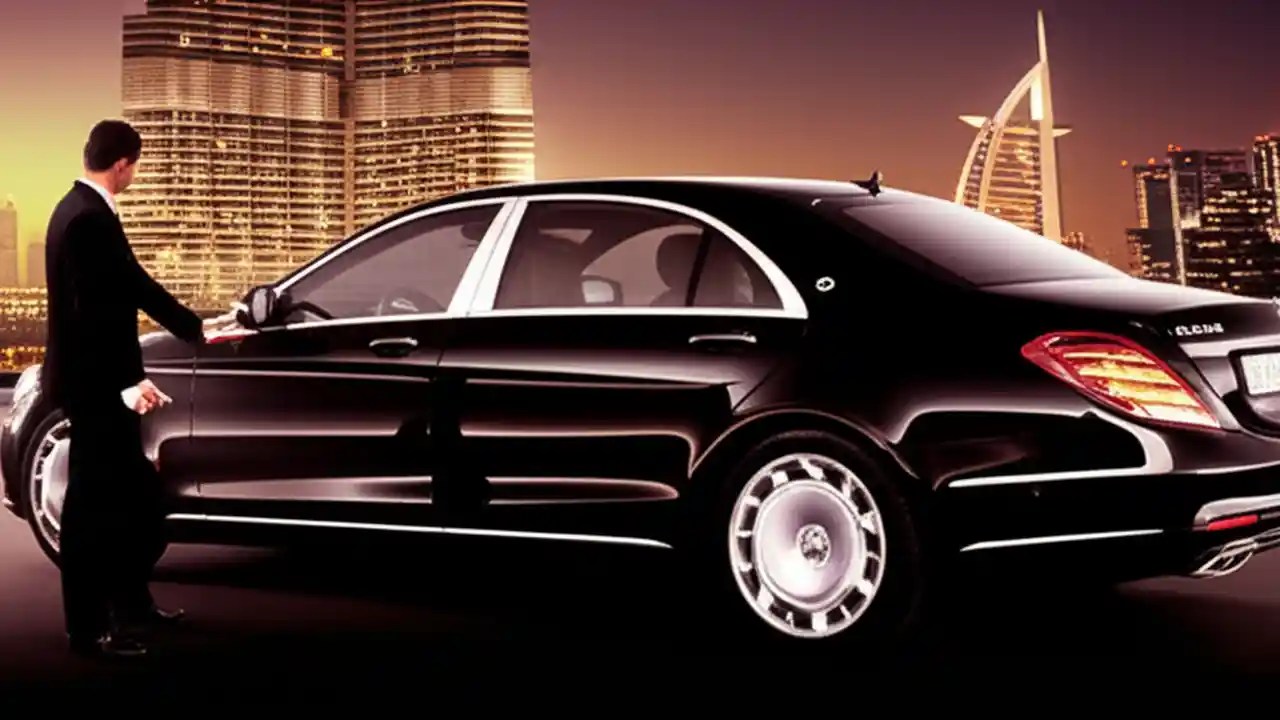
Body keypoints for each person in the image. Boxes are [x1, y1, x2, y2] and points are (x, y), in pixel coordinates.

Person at [42, 119, 206, 659]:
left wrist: (189, 327)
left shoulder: (76, 210)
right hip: (97, 392)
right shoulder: (89, 221)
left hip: (98, 384)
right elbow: (95, 317)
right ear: (122, 164)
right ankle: (88, 631)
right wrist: (123, 389)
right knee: (90, 511)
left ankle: (131, 604)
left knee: (135, 497)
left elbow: (125, 289)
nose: (135, 174)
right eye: (135, 166)